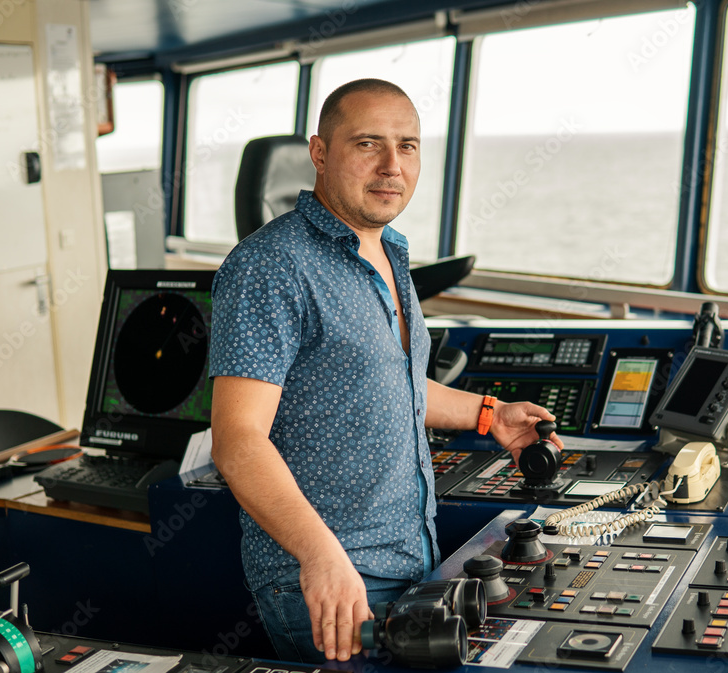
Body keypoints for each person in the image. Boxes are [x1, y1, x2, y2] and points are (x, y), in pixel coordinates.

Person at [209, 78, 562, 665]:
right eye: (368, 143)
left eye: (408, 146)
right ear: (319, 153)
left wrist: (489, 415)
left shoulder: (386, 249)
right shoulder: (269, 267)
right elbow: (237, 440)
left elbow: (386, 384)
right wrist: (322, 557)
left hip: (410, 562)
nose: (391, 166)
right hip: (329, 579)